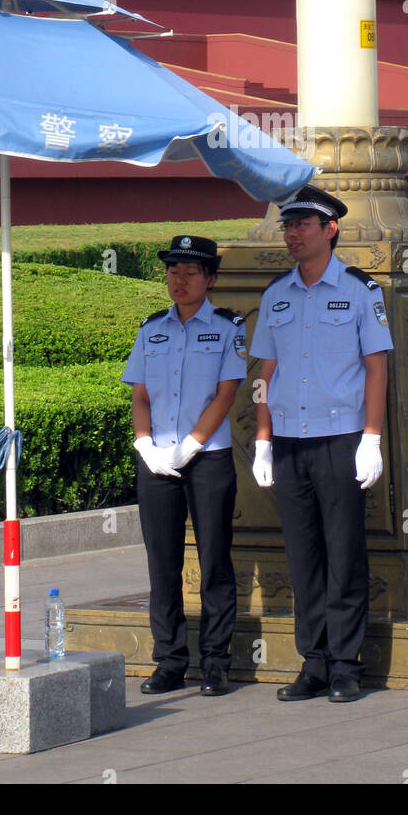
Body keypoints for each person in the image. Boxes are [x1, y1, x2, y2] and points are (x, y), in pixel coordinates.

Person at [249, 184, 392, 703]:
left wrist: (370, 438)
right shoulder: (275, 295)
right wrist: (263, 440)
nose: (292, 234)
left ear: (330, 229)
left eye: (302, 225)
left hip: (341, 438)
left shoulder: (359, 290)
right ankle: (314, 661)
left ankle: (347, 664)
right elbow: (266, 372)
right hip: (289, 441)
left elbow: (376, 369)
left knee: (344, 552)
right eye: (288, 225)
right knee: (303, 554)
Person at [122, 234, 246, 696]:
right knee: (162, 562)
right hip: (156, 460)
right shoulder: (151, 328)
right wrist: (145, 445)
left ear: (210, 279)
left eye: (191, 272)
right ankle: (170, 659)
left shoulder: (230, 326)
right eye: (174, 271)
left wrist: (190, 445)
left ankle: (215, 661)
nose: (180, 280)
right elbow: (139, 394)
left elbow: (227, 393)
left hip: (207, 458)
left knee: (214, 559)